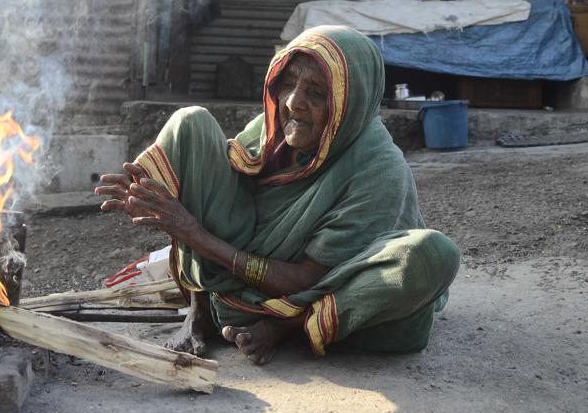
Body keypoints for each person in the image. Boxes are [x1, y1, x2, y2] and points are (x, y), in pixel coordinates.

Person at [96, 25, 460, 364]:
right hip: (242, 273)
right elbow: (218, 177)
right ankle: (202, 309)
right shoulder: (275, 129)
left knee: (431, 256)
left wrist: (193, 233)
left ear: (352, 103)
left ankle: (289, 327)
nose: (293, 102)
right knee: (190, 124)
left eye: (317, 93)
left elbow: (307, 279)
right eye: (289, 84)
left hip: (319, 291)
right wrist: (150, 193)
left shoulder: (380, 169)